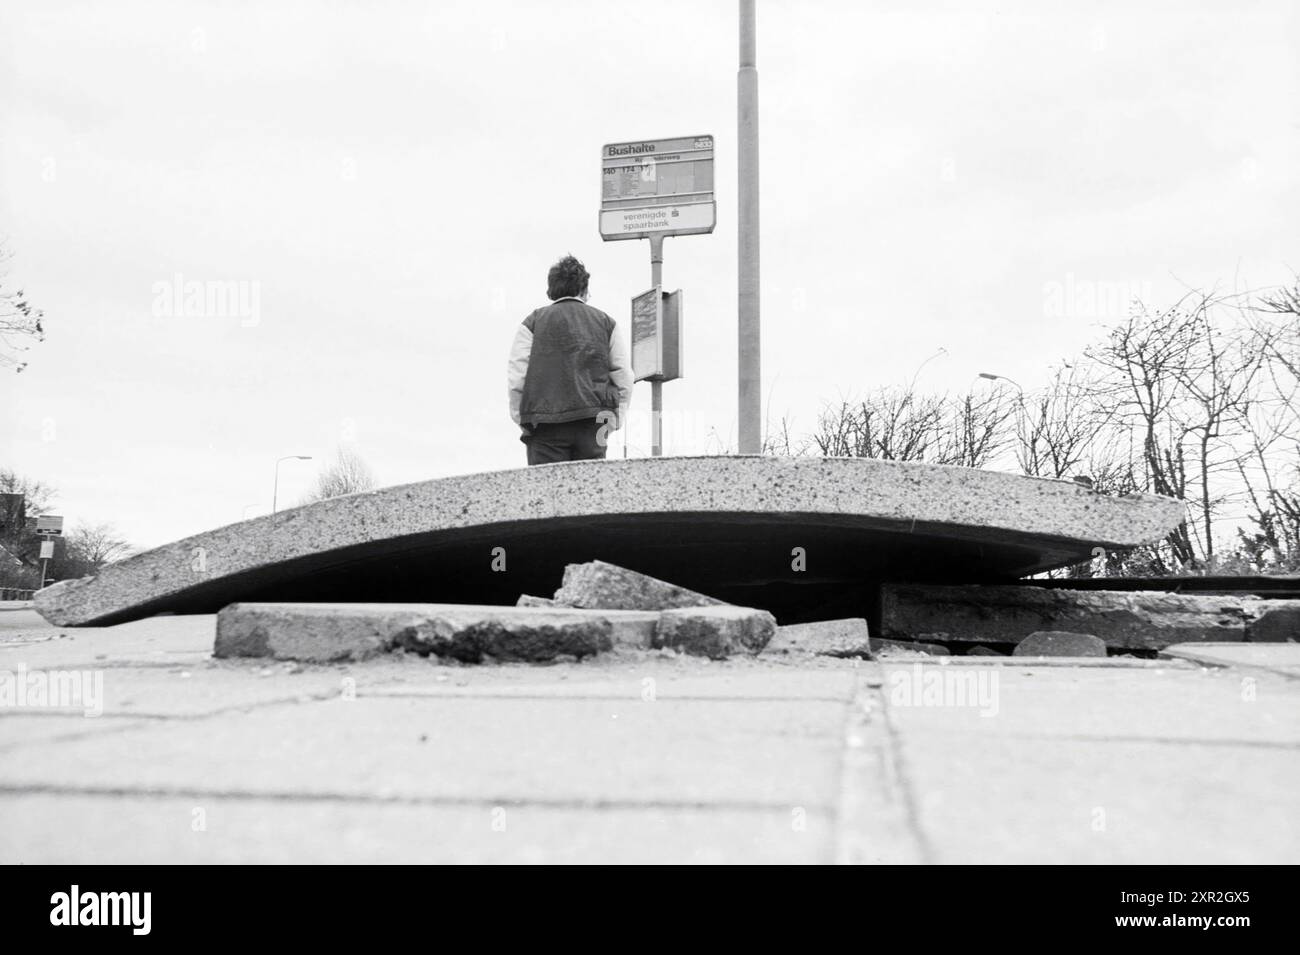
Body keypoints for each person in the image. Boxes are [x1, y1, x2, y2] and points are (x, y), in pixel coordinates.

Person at [507, 255, 632, 464]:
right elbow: (623, 376)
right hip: (593, 422)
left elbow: (517, 379)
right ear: (584, 289)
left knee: (548, 493)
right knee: (590, 492)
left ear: (551, 289)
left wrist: (523, 419)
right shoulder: (607, 323)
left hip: (544, 425)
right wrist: (615, 419)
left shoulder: (532, 324)